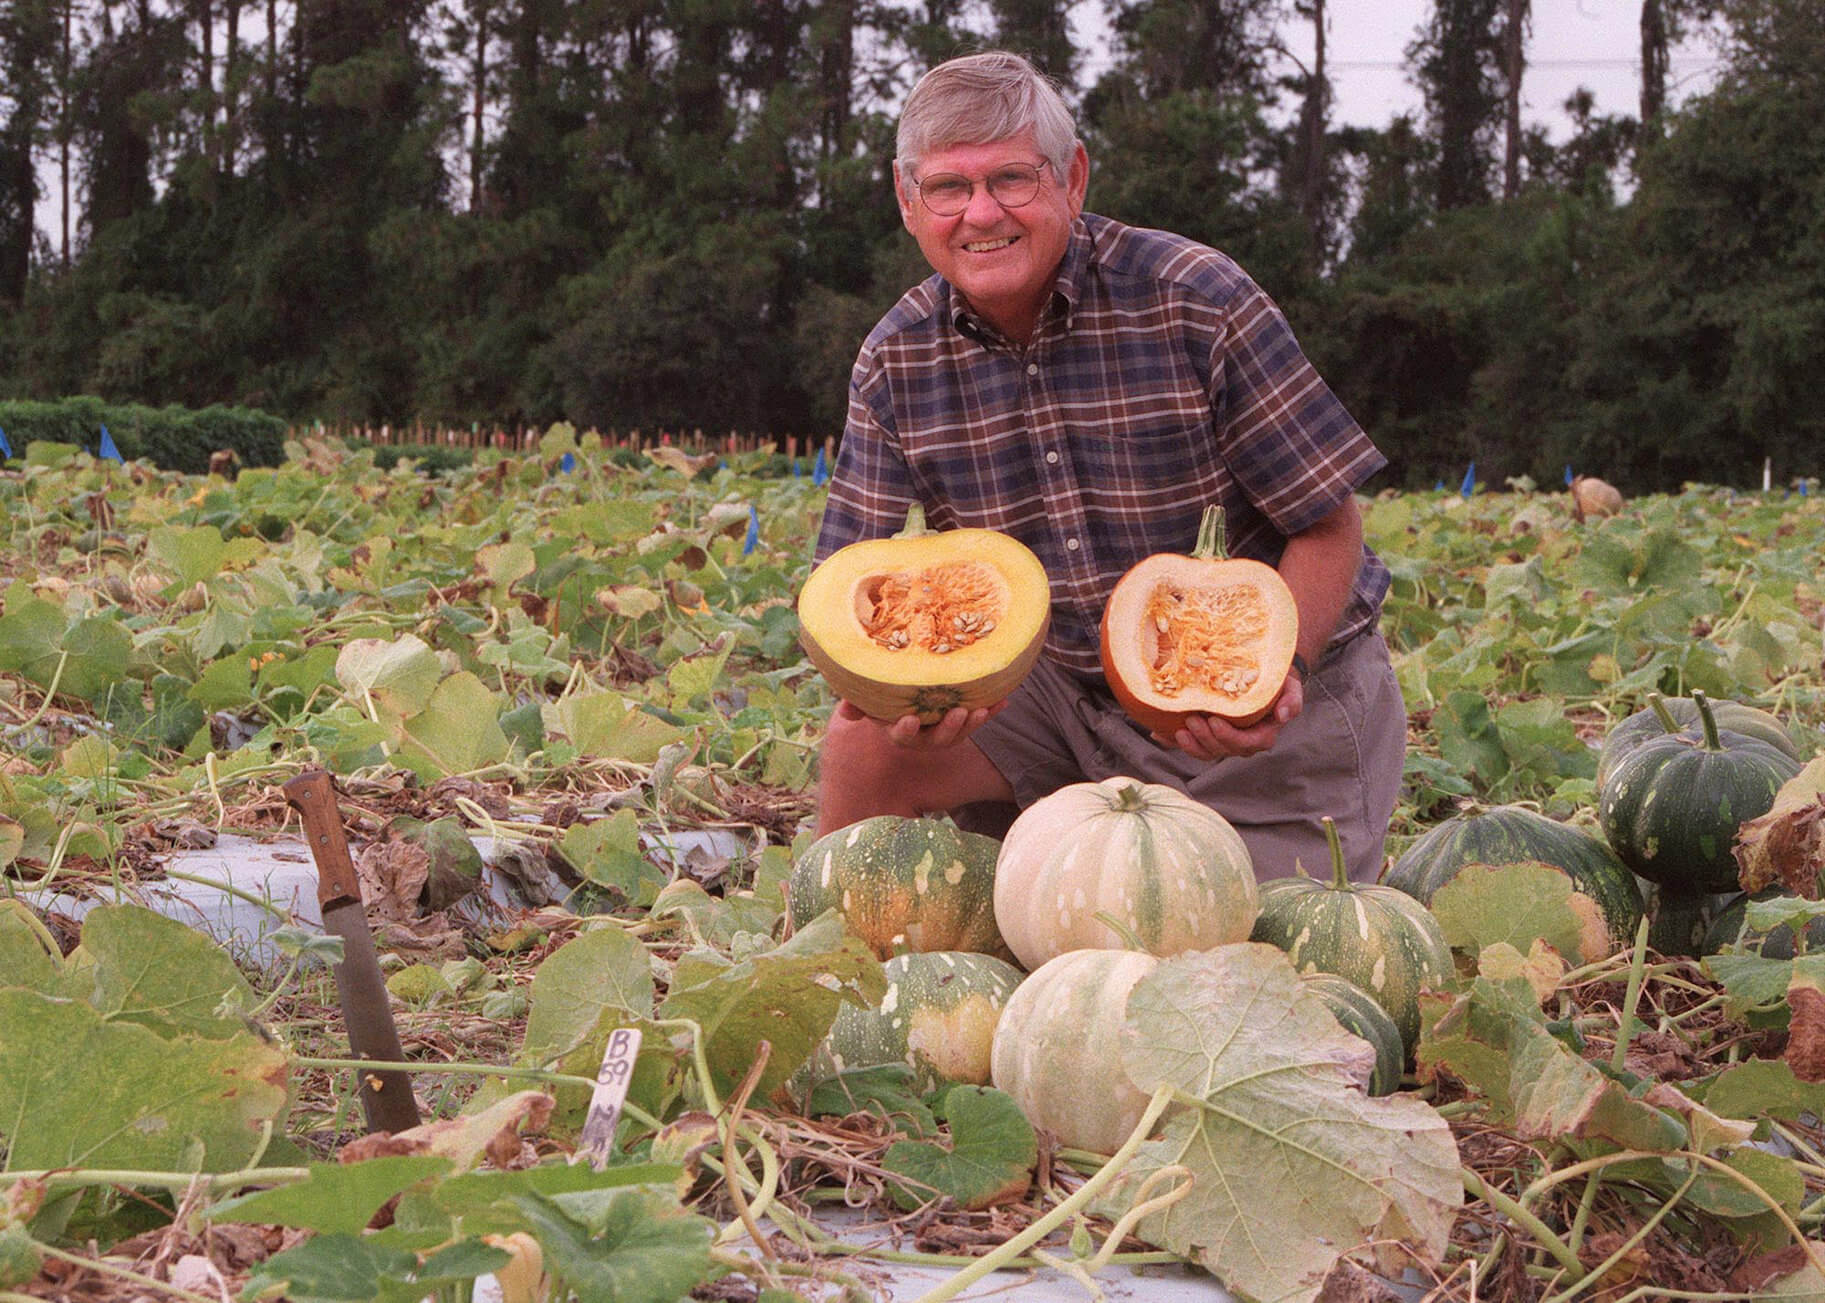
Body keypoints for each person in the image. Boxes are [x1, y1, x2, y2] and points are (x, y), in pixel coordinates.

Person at [810, 50, 1405, 883]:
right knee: (862, 746)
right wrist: (905, 695)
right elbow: (850, 589)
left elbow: (1328, 525)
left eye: (1012, 179)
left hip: (1257, 721)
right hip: (1058, 695)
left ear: (1072, 178)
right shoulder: (894, 360)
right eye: (948, 187)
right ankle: (842, 947)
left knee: (1223, 948)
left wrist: (1278, 672)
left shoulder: (1196, 299)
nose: (981, 213)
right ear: (909, 203)